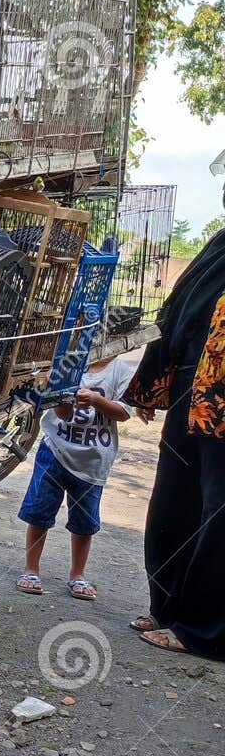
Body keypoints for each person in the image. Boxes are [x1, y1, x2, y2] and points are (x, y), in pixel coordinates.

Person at [126, 229, 225, 657]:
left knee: (218, 512)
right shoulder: (221, 244)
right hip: (192, 390)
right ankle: (167, 608)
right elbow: (181, 307)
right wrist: (153, 378)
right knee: (173, 501)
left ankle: (204, 629)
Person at [16, 330, 134, 600]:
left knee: (84, 521)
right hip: (55, 450)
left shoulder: (120, 370)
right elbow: (61, 411)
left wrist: (96, 400)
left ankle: (77, 575)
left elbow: (125, 412)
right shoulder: (69, 364)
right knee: (39, 512)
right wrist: (66, 400)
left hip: (94, 460)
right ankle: (31, 569)